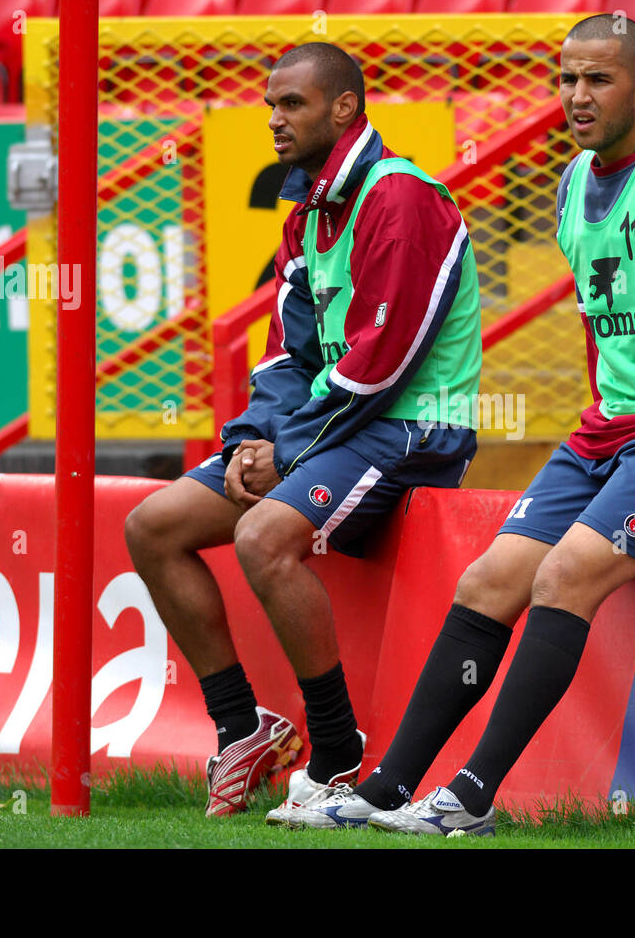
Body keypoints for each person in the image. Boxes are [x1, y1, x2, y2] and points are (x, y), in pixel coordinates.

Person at [275, 15, 635, 834]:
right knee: (486, 583)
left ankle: (471, 798)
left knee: (562, 580)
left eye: (597, 80)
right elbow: (603, 325)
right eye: (567, 80)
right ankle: (382, 791)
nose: (578, 98)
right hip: (605, 432)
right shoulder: (571, 184)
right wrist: (606, 414)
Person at [124, 42, 482, 819]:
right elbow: (287, 352)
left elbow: (381, 365)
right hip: (334, 430)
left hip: (413, 430)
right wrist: (250, 438)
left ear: (345, 108)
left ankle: (337, 755)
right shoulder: (308, 210)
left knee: (260, 537)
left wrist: (281, 447)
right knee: (152, 526)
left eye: (292, 105)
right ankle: (242, 728)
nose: (275, 121)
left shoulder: (402, 199)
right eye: (271, 106)